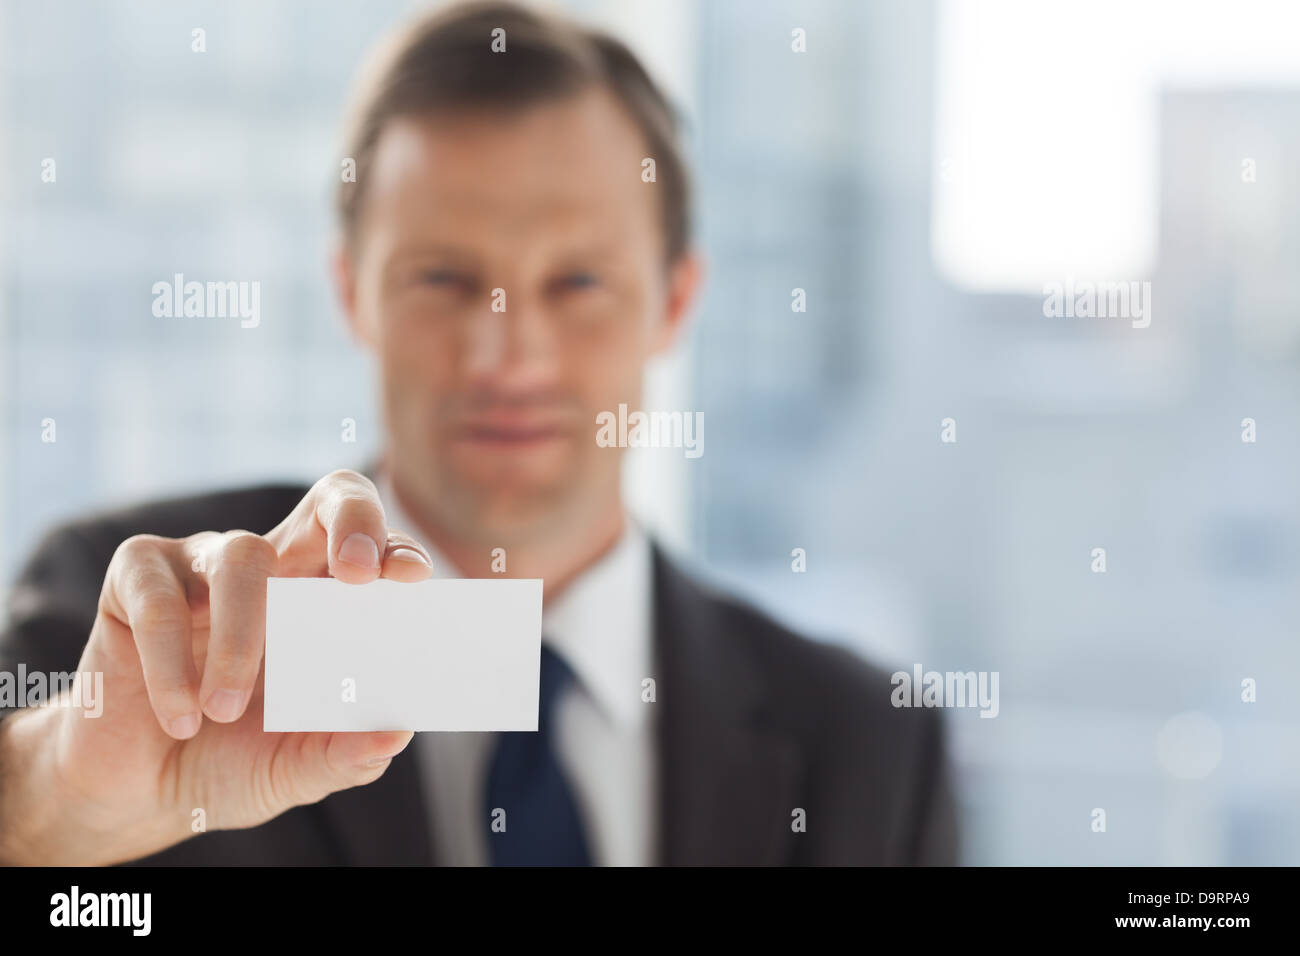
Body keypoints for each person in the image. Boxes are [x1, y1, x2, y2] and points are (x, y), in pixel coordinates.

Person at [0, 0, 958, 866]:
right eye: (443, 280)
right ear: (350, 294)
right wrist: (51, 808)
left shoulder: (868, 745)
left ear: (675, 302)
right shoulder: (149, 632)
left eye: (577, 282)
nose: (508, 354)